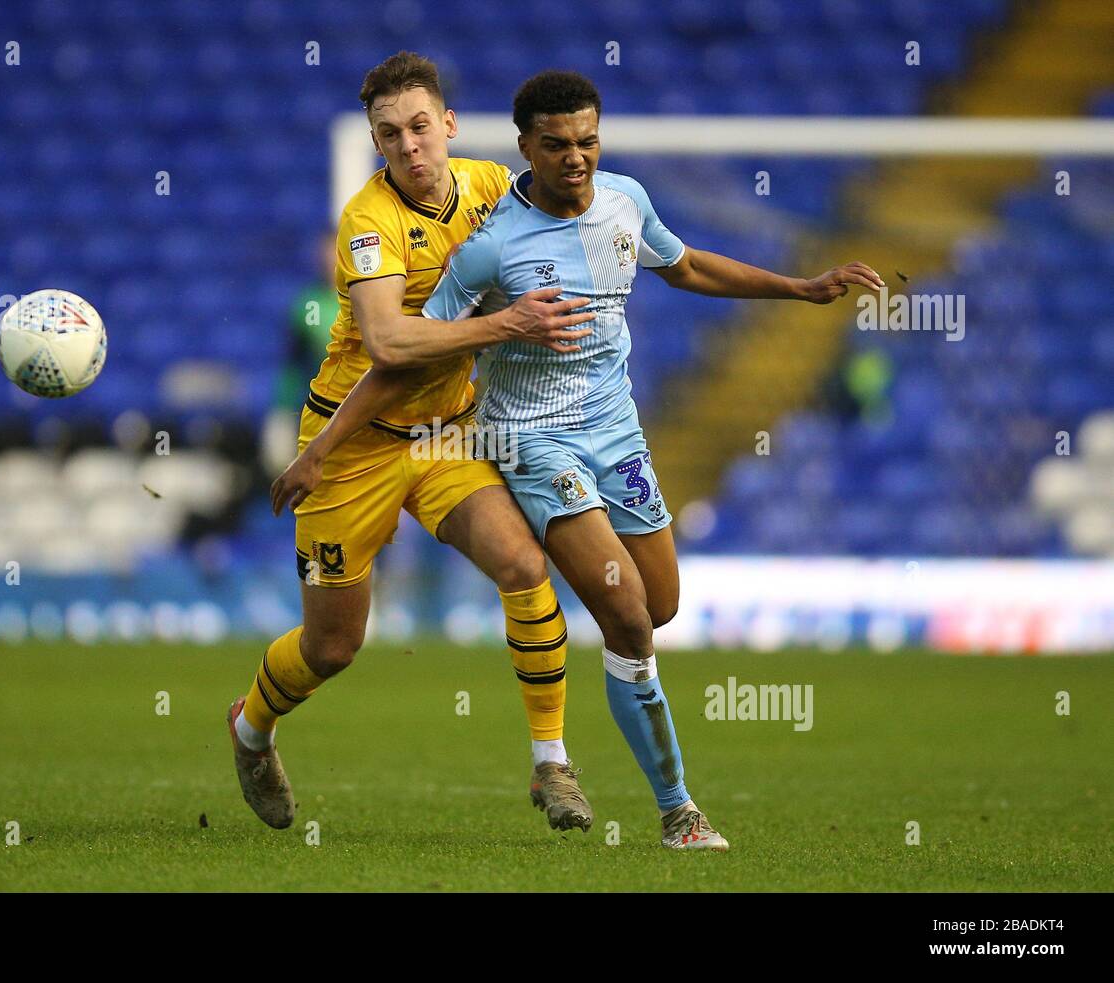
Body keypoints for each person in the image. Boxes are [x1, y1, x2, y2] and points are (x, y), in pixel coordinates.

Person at [275, 70, 884, 850]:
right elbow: (396, 355)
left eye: (588, 141)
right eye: (557, 145)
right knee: (624, 613)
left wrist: (800, 287)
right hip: (528, 439)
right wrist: (322, 447)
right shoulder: (490, 245)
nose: (576, 158)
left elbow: (686, 265)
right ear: (525, 148)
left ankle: (592, 741)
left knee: (657, 607)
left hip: (617, 434)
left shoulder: (625, 200)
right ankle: (675, 808)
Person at [229, 53, 602, 835]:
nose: (408, 145)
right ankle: (251, 729)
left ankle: (552, 761)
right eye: (389, 133)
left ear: (450, 125)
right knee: (334, 647)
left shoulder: (495, 188)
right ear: (374, 142)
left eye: (420, 126)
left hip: (445, 436)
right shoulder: (367, 223)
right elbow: (392, 345)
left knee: (522, 564)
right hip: (348, 443)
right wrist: (507, 324)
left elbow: (561, 242)